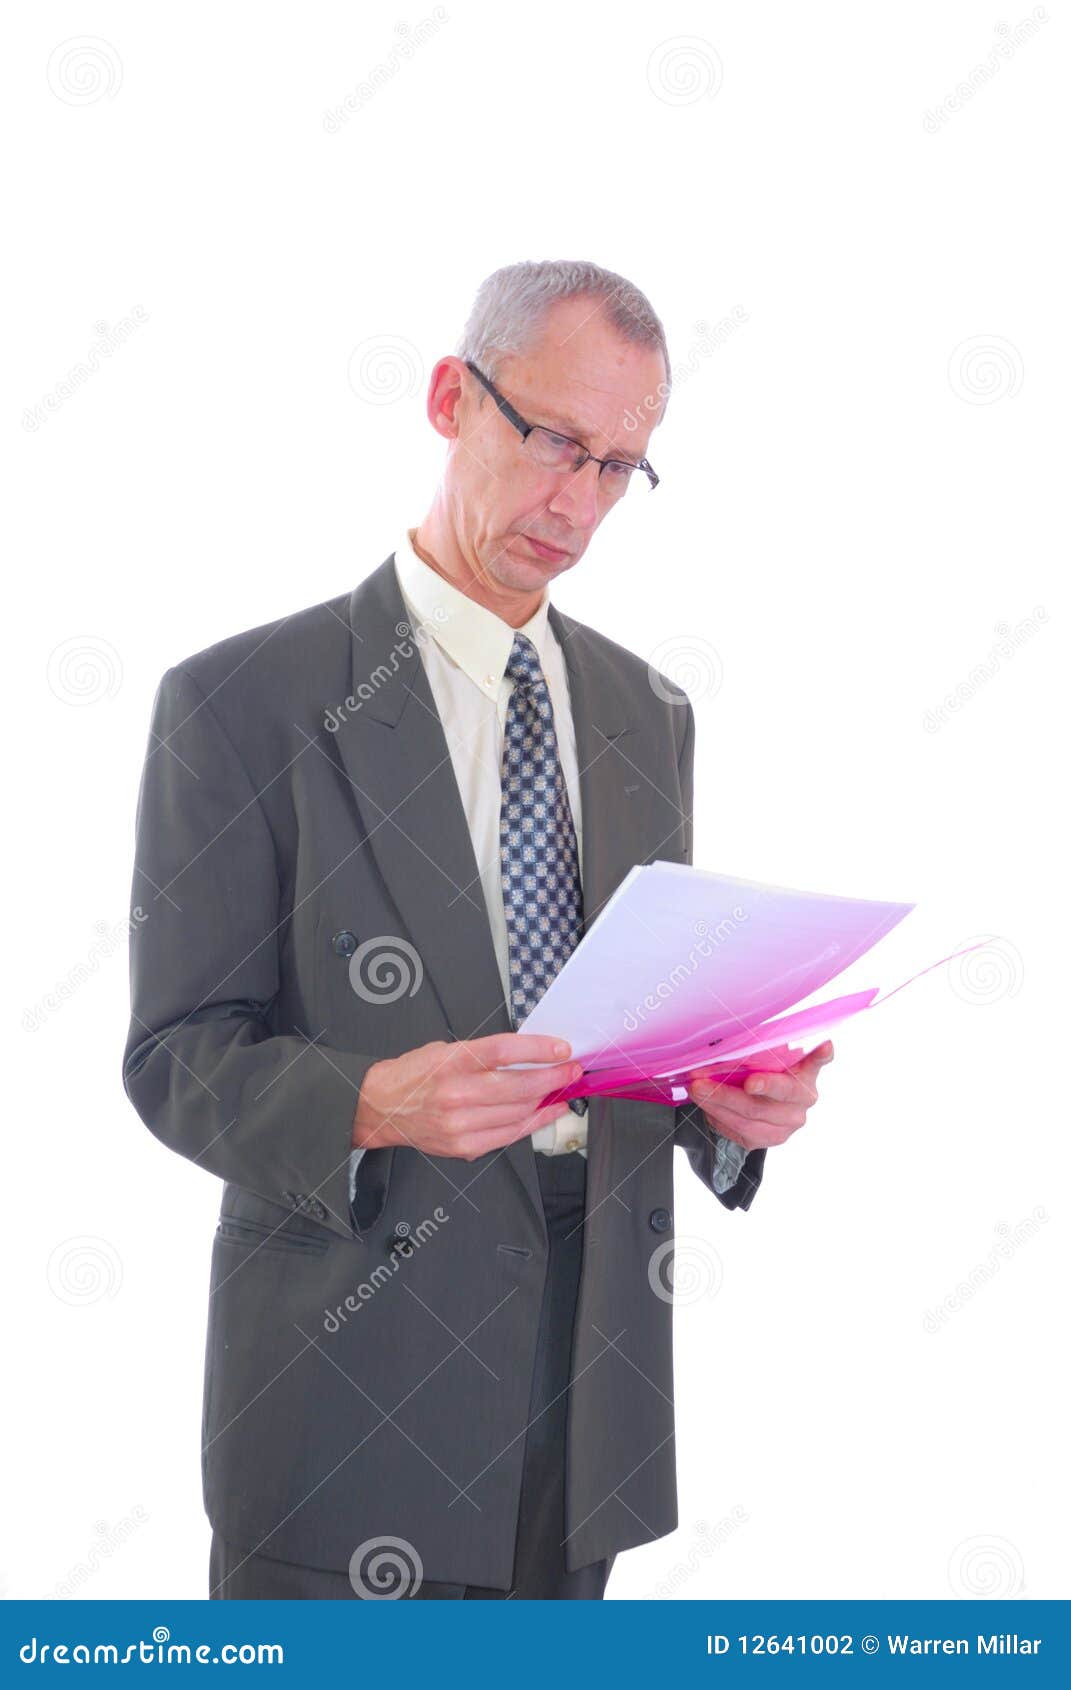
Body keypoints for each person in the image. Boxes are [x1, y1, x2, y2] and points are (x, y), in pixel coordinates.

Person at [122, 258, 832, 1600]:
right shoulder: (244, 703)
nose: (578, 501)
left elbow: (629, 1029)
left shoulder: (648, 713)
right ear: (453, 397)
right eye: (555, 439)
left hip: (589, 1410)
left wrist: (720, 1106)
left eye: (621, 466)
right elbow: (175, 1054)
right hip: (346, 1415)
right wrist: (370, 1101)